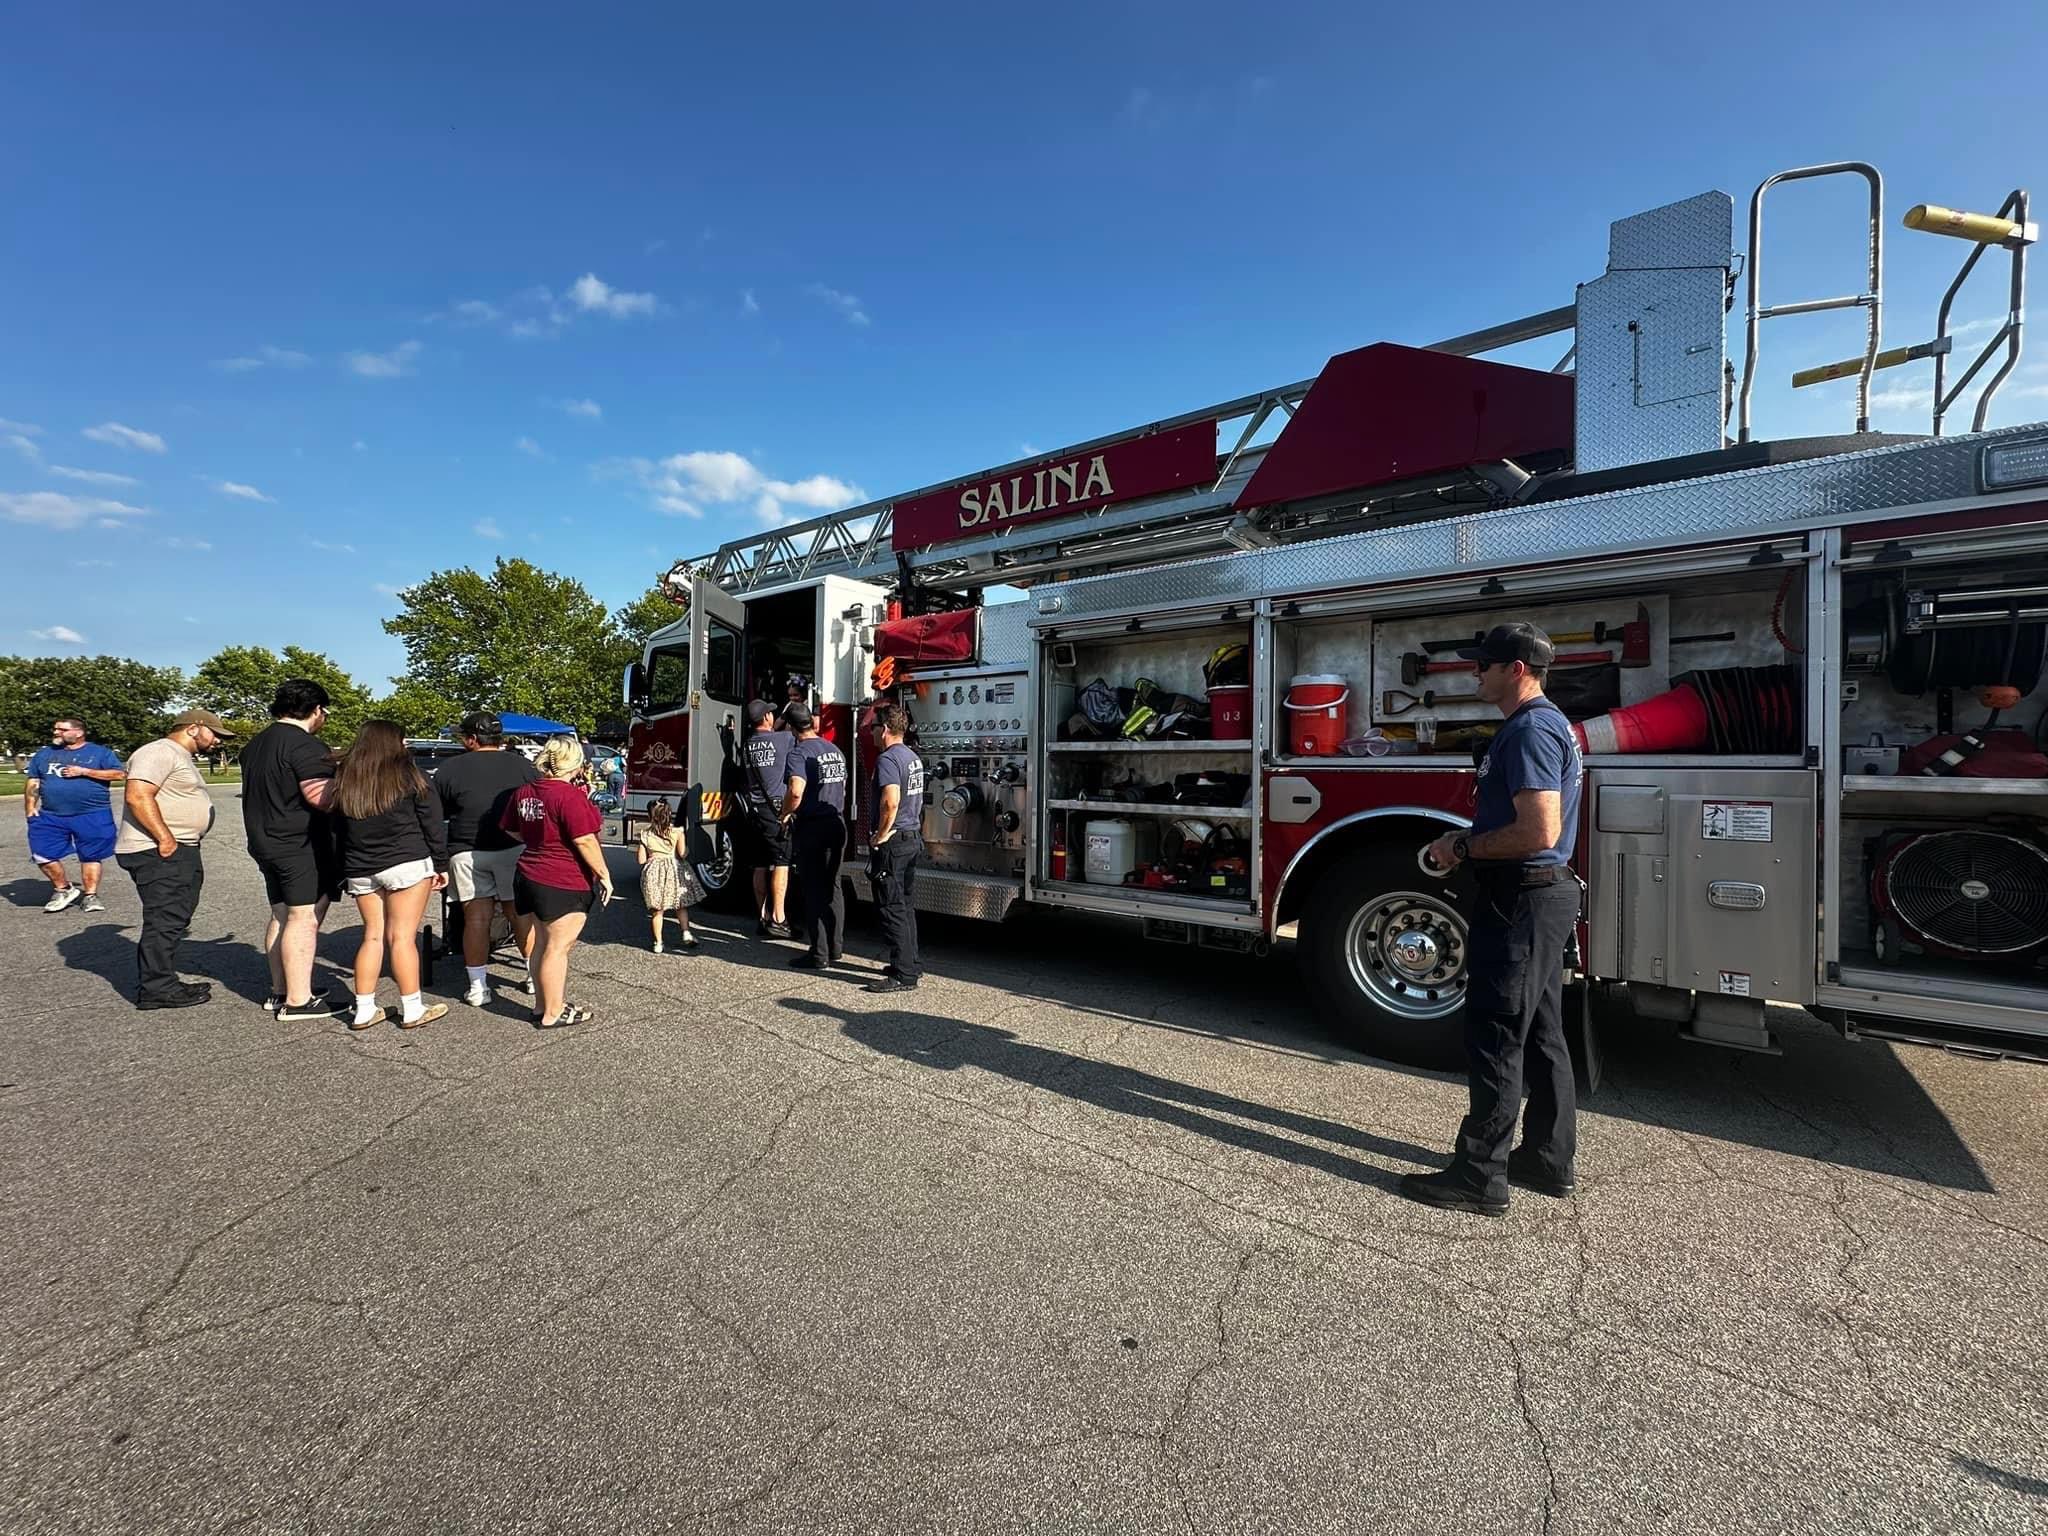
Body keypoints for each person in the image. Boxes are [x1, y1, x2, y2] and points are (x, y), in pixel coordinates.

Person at [1402, 622, 1585, 1218]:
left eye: (1484, 663)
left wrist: (1460, 848)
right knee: (1541, 1032)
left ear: (1518, 669)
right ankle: (1547, 1160)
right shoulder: (1543, 724)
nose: (1474, 672)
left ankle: (1480, 1176)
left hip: (1523, 899)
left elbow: (1539, 831)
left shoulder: (1531, 729)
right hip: (1542, 898)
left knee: (1497, 1034)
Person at [325, 721, 451, 1031]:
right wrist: (440, 863)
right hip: (407, 862)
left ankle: (364, 1009)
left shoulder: (346, 779)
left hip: (361, 866)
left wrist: (341, 868)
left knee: (372, 936)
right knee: (402, 938)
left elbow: (335, 831)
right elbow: (431, 822)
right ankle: (412, 1007)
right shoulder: (411, 776)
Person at [114, 710, 233, 1010]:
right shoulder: (158, 751)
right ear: (194, 728)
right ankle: (157, 988)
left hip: (176, 849)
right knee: (164, 920)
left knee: (173, 917)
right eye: (215, 733)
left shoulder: (178, 755)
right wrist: (165, 839)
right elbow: (138, 796)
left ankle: (163, 980)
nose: (218, 740)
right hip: (159, 850)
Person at [240, 680, 342, 1022]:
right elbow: (321, 798)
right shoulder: (305, 746)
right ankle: (299, 1001)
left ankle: (281, 989)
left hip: (264, 840)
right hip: (299, 843)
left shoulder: (256, 743)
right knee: (304, 917)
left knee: (281, 915)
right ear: (316, 710)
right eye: (324, 713)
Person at [501, 734, 613, 1029]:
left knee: (541, 944)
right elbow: (585, 840)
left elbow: (512, 830)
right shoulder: (568, 796)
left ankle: (543, 1004)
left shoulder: (525, 792)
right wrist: (604, 874)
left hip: (528, 872)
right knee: (558, 948)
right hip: (561, 877)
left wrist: (539, 837)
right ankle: (554, 1011)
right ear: (574, 764)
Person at [434, 711, 541, 1008]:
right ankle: (533, 976)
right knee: (519, 915)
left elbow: (437, 814)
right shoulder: (524, 766)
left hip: (466, 850)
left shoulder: (449, 769)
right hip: (513, 847)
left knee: (476, 919)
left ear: (471, 739)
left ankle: (478, 987)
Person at [25, 717, 125, 914]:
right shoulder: (44, 754)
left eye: (62, 730)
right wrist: (30, 806)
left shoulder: (99, 753)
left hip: (92, 813)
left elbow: (119, 774)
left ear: (78, 733)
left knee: (91, 854)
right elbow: (33, 781)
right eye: (55, 729)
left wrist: (84, 771)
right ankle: (63, 889)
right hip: (51, 815)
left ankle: (90, 895)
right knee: (42, 853)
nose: (56, 733)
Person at [779, 704, 847, 970]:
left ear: (792, 728)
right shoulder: (835, 750)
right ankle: (836, 947)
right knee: (834, 886)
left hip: (813, 826)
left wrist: (785, 813)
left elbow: (796, 791)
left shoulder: (799, 753)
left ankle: (818, 954)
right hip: (836, 822)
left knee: (813, 889)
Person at [865, 704, 924, 993]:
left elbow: (890, 800)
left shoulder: (888, 759)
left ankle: (903, 974)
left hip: (895, 842)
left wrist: (880, 835)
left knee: (891, 906)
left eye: (874, 727)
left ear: (885, 729)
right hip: (911, 837)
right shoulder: (912, 757)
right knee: (906, 905)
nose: (872, 732)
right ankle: (911, 962)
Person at [740, 699, 795, 938]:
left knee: (760, 864)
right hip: (776, 813)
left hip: (755, 811)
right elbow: (797, 730)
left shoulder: (748, 745)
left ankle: (762, 917)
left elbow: (773, 730)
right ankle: (779, 919)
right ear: (767, 718)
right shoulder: (783, 740)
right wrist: (791, 709)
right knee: (781, 863)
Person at [635, 797, 702, 953]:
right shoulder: (677, 832)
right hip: (673, 869)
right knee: (680, 905)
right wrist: (688, 849)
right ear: (669, 814)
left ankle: (658, 943)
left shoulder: (645, 834)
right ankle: (686, 933)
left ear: (650, 816)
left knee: (657, 910)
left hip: (653, 871)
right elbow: (683, 853)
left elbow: (641, 860)